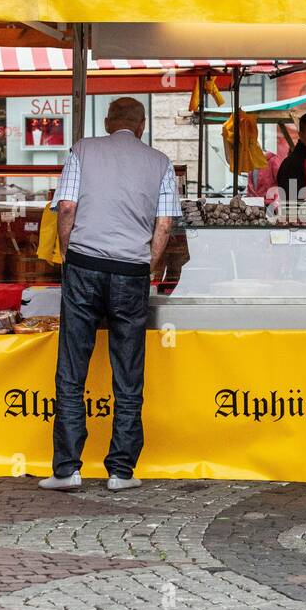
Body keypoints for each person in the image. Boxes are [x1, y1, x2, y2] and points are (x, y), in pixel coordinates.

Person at [41, 97, 176, 494]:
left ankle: (67, 469)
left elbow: (66, 207)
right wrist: (147, 264)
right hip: (131, 272)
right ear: (142, 126)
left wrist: (69, 254)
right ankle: (121, 471)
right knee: (128, 370)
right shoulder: (161, 162)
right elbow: (164, 224)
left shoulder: (82, 150)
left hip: (84, 265)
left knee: (72, 367)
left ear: (106, 121)